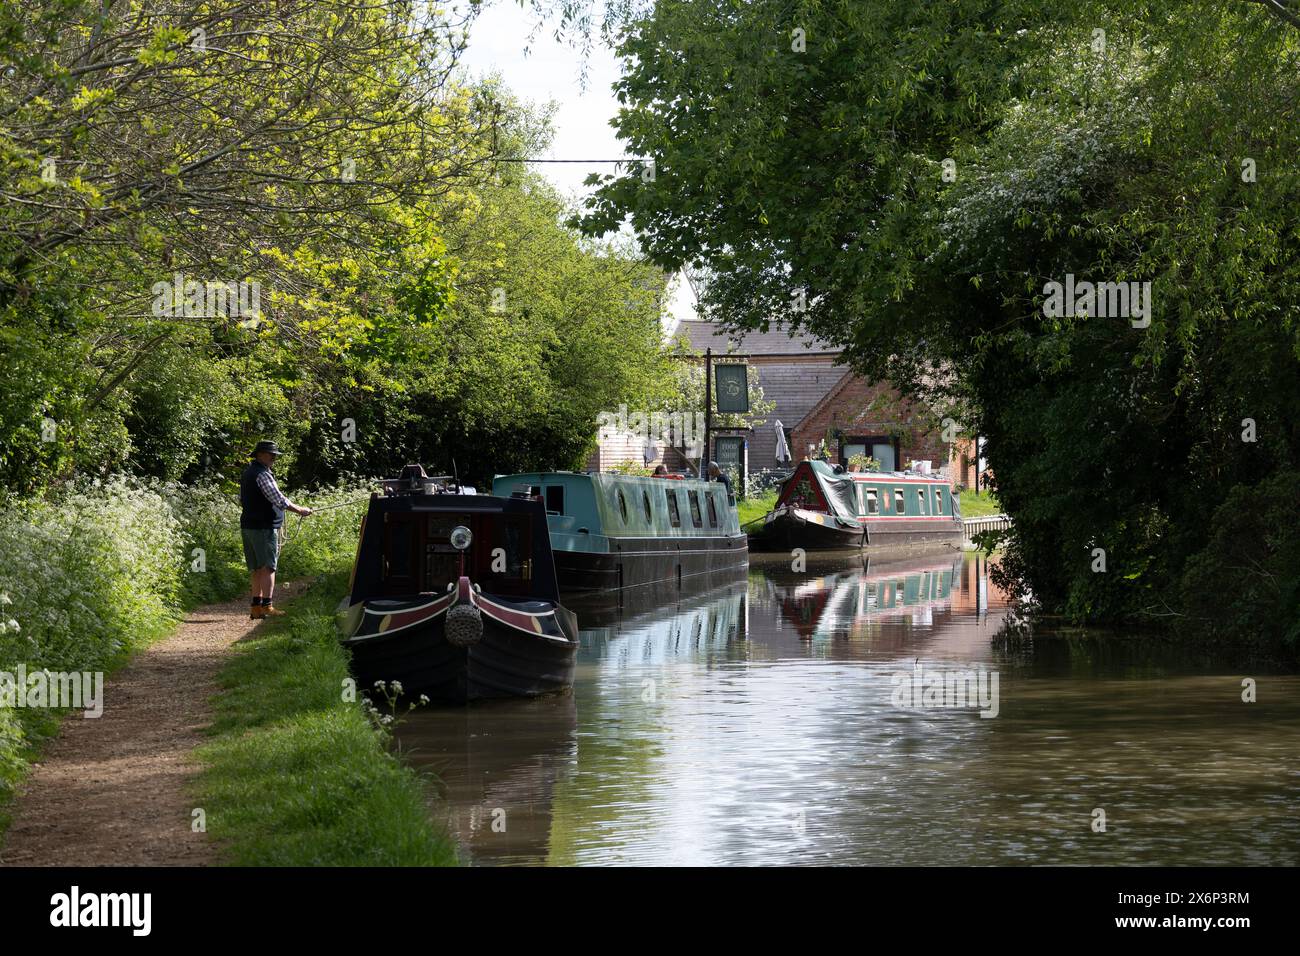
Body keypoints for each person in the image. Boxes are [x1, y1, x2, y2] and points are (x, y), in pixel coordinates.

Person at [240, 441, 311, 619]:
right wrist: (300, 510)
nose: (274, 458)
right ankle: (267, 606)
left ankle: (256, 607)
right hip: (264, 528)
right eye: (271, 454)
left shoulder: (248, 473)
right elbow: (278, 499)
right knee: (269, 567)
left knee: (256, 568)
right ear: (260, 454)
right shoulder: (262, 474)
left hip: (248, 526)